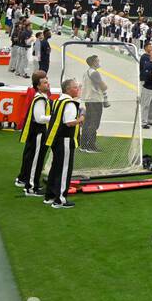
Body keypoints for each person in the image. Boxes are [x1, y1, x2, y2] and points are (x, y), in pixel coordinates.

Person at [43, 79, 84, 209]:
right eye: (76, 87)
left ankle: (50, 195)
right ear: (68, 89)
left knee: (55, 168)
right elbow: (69, 122)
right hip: (65, 139)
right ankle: (60, 199)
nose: (78, 90)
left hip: (56, 138)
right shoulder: (70, 103)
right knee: (64, 169)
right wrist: (81, 119)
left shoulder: (59, 100)